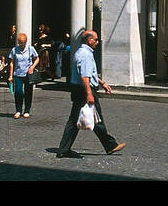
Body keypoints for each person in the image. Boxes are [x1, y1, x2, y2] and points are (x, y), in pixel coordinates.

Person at [55, 29, 125, 158]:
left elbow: (90, 74)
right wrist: (89, 94)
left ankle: (64, 149)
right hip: (84, 90)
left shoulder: (82, 52)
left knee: (75, 120)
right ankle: (110, 145)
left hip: (79, 89)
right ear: (89, 40)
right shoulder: (85, 55)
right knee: (96, 118)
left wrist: (102, 83)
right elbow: (85, 76)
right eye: (96, 39)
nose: (98, 42)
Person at [8, 32, 40, 118]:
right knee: (18, 92)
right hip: (17, 73)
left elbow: (37, 59)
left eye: (23, 43)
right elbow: (11, 62)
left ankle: (27, 110)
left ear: (26, 42)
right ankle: (18, 110)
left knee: (28, 92)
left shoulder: (31, 49)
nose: (21, 45)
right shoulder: (14, 50)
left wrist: (32, 67)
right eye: (19, 43)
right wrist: (10, 75)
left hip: (28, 74)